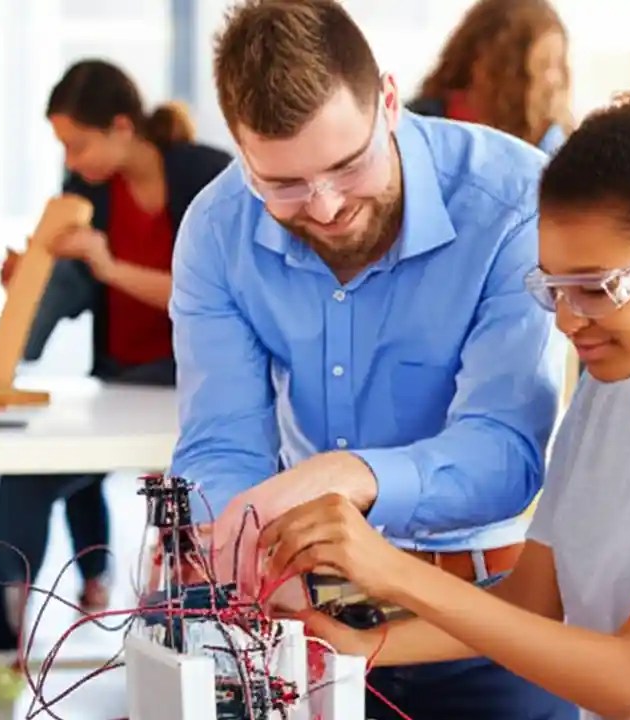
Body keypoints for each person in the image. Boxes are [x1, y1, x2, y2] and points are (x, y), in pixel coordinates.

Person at [252, 73, 630, 720]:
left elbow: (629, 679)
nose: (566, 320)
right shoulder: (610, 390)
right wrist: (368, 646)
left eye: (597, 288)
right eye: (554, 287)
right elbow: (532, 601)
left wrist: (391, 571)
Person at [167, 1, 569, 717]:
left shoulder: (514, 202)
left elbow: (506, 456)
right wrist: (241, 542)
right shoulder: (216, 228)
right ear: (242, 150)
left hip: (486, 612)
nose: (324, 208)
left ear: (388, 101)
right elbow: (220, 444)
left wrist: (347, 477)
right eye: (283, 185)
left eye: (347, 167)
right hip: (309, 618)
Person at [0, 59, 231, 713]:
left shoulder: (205, 175)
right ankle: (4, 642)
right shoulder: (89, 191)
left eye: (78, 144)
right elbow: (81, 283)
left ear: (122, 127)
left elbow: (215, 296)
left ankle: (191, 653)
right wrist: (30, 276)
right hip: (120, 380)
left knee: (193, 509)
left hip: (193, 385)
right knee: (24, 475)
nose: (71, 160)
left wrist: (107, 265)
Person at [407, 0, 572, 155]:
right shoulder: (419, 132)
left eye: (559, 64)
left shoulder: (554, 143)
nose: (553, 80)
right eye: (542, 65)